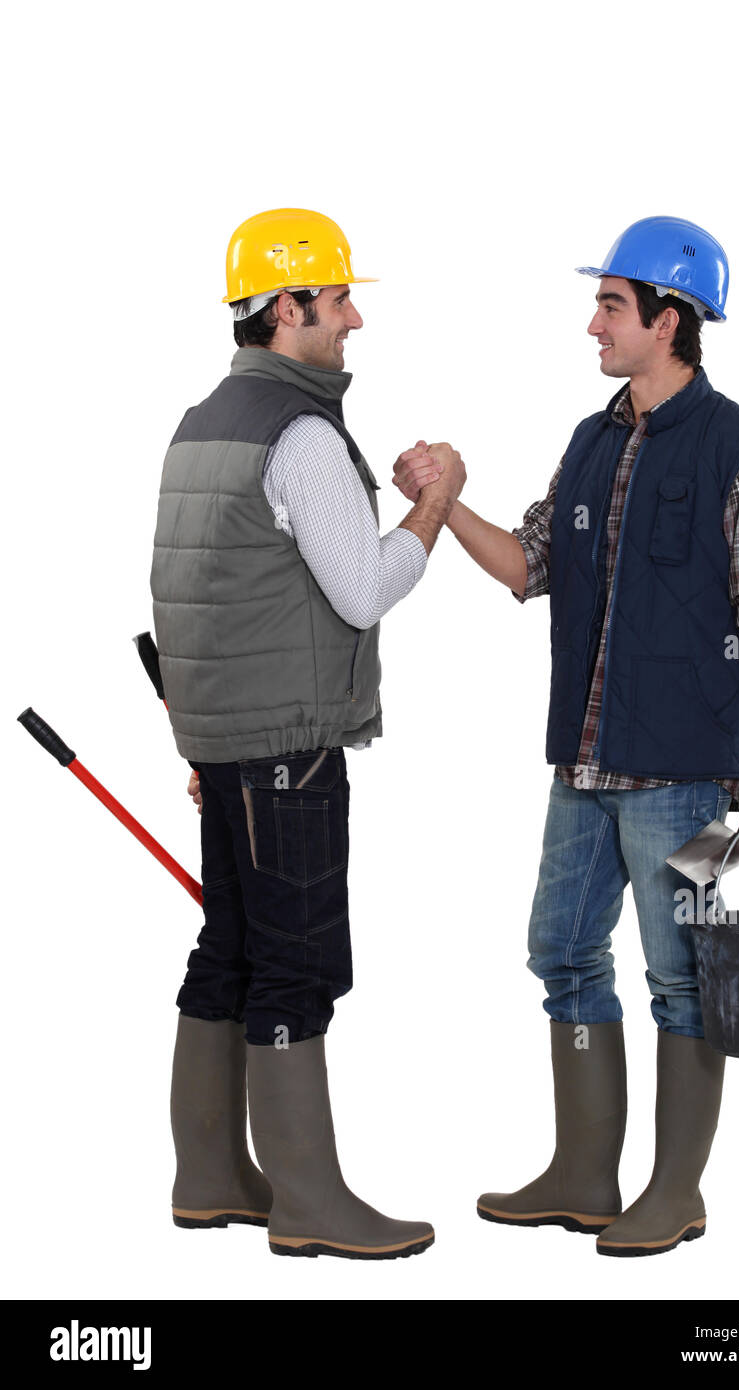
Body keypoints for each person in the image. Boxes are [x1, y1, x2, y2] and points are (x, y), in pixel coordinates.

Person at [393, 215, 739, 1257]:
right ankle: (582, 1173)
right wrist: (447, 503)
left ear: (669, 320)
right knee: (561, 950)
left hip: (687, 771)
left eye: (610, 307)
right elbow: (529, 565)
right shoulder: (589, 440)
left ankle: (674, 1190)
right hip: (580, 761)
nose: (592, 326)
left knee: (681, 976)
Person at [151, 207, 464, 1260]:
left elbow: (194, 595)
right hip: (287, 746)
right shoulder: (300, 434)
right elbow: (365, 589)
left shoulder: (203, 422)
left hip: (231, 742)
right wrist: (435, 505)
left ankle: (209, 1176)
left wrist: (205, 742)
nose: (354, 320)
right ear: (286, 309)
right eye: (336, 300)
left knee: (229, 948)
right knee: (295, 963)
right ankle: (307, 1199)